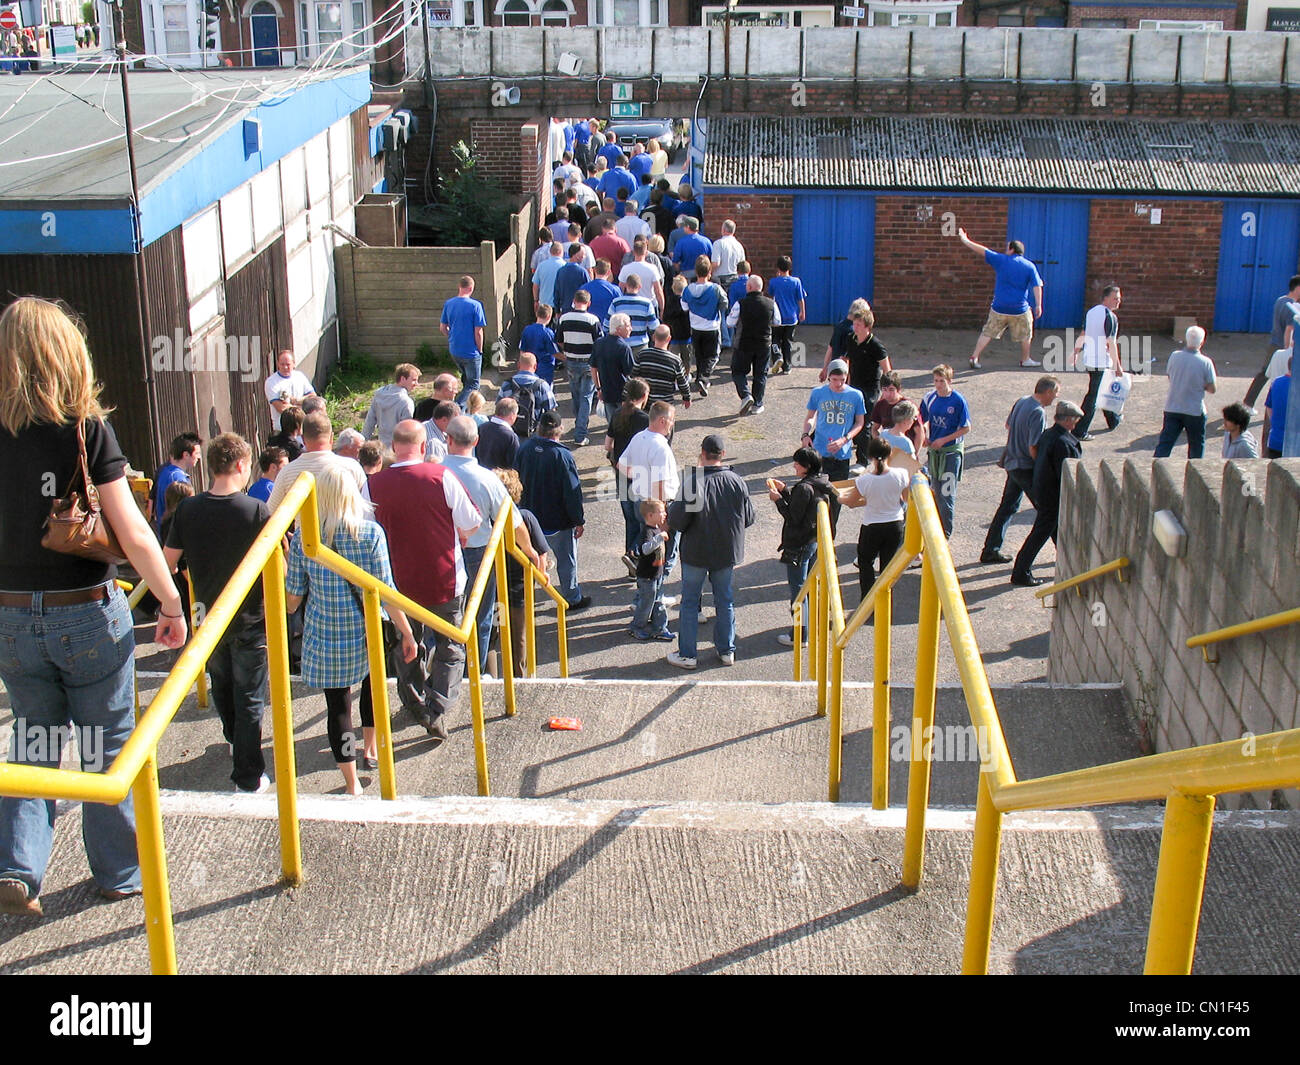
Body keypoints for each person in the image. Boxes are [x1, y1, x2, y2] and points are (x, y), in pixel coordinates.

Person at [0, 297, 187, 918]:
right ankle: (119, 874)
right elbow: (132, 532)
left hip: (9, 615)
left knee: (32, 736)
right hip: (84, 610)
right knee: (109, 746)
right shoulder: (84, 428)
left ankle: (18, 869)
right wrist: (169, 599)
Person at [285, 464, 418, 794]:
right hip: (368, 628)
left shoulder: (306, 537)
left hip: (325, 632)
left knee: (337, 707)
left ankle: (351, 782)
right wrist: (407, 632)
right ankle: (370, 749)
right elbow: (387, 592)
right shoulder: (371, 535)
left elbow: (291, 601)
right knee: (373, 689)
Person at [164, 433, 270, 794]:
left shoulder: (187, 509)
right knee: (250, 695)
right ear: (241, 465)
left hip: (204, 615)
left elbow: (168, 561)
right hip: (250, 617)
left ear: (210, 466)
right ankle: (248, 775)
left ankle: (233, 740)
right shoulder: (256, 511)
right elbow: (279, 567)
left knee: (222, 684)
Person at [366, 420, 482, 739]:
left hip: (395, 586)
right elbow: (471, 522)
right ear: (422, 446)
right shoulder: (441, 476)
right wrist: (458, 535)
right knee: (451, 646)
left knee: (405, 645)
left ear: (393, 445)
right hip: (443, 579)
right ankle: (436, 707)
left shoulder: (372, 485)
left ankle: (415, 702)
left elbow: (364, 532)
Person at [443, 416, 533, 673]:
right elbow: (514, 523)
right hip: (479, 555)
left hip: (441, 552)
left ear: (448, 439)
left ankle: (443, 672)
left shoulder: (435, 472)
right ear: (476, 441)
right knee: (480, 618)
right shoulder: (488, 479)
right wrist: (531, 554)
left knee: (442, 617)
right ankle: (475, 673)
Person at [666, 434, 755, 669]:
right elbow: (749, 518)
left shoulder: (693, 482)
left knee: (689, 603)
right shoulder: (737, 481)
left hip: (696, 552)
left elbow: (677, 520)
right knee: (724, 600)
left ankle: (688, 655)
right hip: (725, 553)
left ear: (702, 454)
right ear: (722, 455)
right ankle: (727, 650)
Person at [981, 376, 1060, 565]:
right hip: (1025, 467)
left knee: (1007, 508)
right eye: (1055, 393)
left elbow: (1009, 425)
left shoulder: (1022, 401)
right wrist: (1042, 469)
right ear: (1048, 392)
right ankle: (1064, 551)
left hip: (1012, 463)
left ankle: (990, 549)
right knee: (1048, 512)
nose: (1055, 398)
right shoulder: (1038, 412)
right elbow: (1034, 447)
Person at [515, 411, 589, 611]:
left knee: (529, 561)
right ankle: (572, 598)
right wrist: (578, 520)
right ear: (560, 430)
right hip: (558, 522)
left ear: (540, 428)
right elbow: (572, 492)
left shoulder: (525, 448)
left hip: (529, 521)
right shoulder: (562, 455)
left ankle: (525, 601)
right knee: (566, 561)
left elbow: (515, 480)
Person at [768, 447, 839, 646]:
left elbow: (793, 517)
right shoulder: (821, 483)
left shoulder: (804, 487)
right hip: (814, 541)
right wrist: (785, 491)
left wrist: (778, 500)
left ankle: (799, 634)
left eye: (797, 463)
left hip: (799, 544)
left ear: (806, 467)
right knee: (807, 589)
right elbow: (803, 507)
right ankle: (806, 629)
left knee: (798, 592)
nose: (794, 466)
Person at [1012, 401, 1084, 587]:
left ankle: (1069, 561)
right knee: (1041, 532)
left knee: (1053, 530)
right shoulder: (1063, 442)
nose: (1075, 424)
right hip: (1053, 495)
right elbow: (1066, 474)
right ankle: (1021, 571)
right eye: (1074, 420)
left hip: (1044, 491)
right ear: (1067, 420)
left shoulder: (1049, 435)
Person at [492, 467, 551, 677]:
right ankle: (519, 677)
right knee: (520, 637)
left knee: (492, 634)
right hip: (519, 590)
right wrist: (541, 574)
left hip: (493, 590)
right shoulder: (525, 517)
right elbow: (541, 552)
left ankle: (489, 674)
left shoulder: (486, 518)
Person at [958, 229, 1043, 369]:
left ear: (1011, 249)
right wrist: (1038, 305)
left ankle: (975, 356)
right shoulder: (1029, 266)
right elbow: (1037, 286)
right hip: (1019, 309)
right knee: (1026, 334)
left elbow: (982, 250)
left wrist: (965, 240)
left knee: (988, 332)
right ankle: (1025, 359)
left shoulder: (1001, 260)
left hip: (999, 307)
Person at [618, 399, 681, 585]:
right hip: (659, 505)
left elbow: (621, 464)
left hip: (640, 501)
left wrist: (637, 475)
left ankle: (637, 563)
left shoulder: (638, 438)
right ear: (662, 421)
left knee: (647, 549)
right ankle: (656, 595)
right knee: (665, 554)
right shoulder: (661, 447)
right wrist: (663, 516)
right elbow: (660, 483)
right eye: (671, 420)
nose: (672, 425)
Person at [840, 437, 910, 600]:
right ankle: (886, 600)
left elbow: (850, 502)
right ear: (889, 454)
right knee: (887, 566)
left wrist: (838, 497)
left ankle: (867, 599)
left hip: (872, 526)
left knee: (865, 562)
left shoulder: (864, 480)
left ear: (870, 456)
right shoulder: (902, 474)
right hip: (895, 524)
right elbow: (905, 498)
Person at [267, 412, 366, 516]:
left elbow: (270, 513)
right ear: (331, 437)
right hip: (347, 530)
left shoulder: (287, 472)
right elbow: (366, 508)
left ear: (303, 439)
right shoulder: (352, 467)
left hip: (303, 531)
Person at [919, 364, 971, 539]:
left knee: (947, 495)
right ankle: (933, 530)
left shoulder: (958, 400)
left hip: (951, 454)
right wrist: (925, 435)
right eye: (935, 381)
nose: (938, 384)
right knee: (934, 490)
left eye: (941, 381)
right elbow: (921, 420)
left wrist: (944, 440)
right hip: (935, 453)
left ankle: (945, 535)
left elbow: (966, 428)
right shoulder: (929, 398)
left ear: (949, 381)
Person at [606, 378, 651, 573]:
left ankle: (631, 564)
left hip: (621, 474)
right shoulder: (645, 419)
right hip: (640, 476)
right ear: (644, 396)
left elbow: (608, 445)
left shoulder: (617, 414)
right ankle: (635, 555)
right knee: (643, 521)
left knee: (630, 520)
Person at [1154, 326, 1217, 459]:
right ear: (1202, 341)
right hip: (1194, 410)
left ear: (1186, 339)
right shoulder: (1206, 362)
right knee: (1196, 447)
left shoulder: (1174, 356)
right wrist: (1201, 384)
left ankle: (1155, 469)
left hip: (1172, 407)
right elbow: (1212, 389)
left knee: (1165, 444)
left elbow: (1170, 377)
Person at [1071, 285, 1125, 440]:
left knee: (1103, 390)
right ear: (1106, 298)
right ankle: (1080, 430)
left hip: (1090, 359)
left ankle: (1113, 420)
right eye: (1115, 298)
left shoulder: (1092, 312)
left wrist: (1076, 352)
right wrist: (1117, 366)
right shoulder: (1110, 317)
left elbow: (1084, 332)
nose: (1118, 301)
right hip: (1101, 361)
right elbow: (1111, 343)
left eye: (1119, 298)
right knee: (1094, 396)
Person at [801, 358, 866, 483]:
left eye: (842, 379)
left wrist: (844, 439)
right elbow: (810, 416)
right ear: (829, 377)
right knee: (818, 494)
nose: (838, 384)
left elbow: (859, 422)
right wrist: (805, 434)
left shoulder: (856, 395)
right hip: (819, 450)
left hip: (842, 452)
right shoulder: (818, 393)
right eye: (835, 379)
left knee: (837, 494)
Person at [840, 305, 891, 464]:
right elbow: (847, 360)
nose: (855, 327)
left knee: (864, 425)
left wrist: (884, 392)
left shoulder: (876, 345)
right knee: (850, 421)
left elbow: (887, 370)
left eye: (858, 325)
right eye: (854, 324)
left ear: (867, 327)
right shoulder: (851, 339)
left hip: (870, 390)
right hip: (854, 386)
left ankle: (864, 461)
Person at [1245, 274, 1300, 411]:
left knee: (1265, 374)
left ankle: (1248, 403)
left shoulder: (1280, 300)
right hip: (1282, 345)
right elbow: (1289, 329)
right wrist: (1287, 348)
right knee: (1279, 377)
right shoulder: (1291, 306)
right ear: (1297, 288)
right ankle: (1268, 406)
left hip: (1273, 343)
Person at [555, 289, 602, 446]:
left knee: (575, 393)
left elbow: (559, 340)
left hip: (571, 361)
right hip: (588, 362)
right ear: (588, 303)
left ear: (574, 301)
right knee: (586, 397)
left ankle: (579, 424)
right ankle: (580, 433)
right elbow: (599, 343)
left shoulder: (564, 318)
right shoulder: (592, 320)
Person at [729, 274, 777, 414]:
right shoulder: (771, 303)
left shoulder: (740, 303)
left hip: (744, 343)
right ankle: (757, 403)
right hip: (764, 343)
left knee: (738, 371)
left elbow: (729, 322)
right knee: (760, 374)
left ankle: (745, 395)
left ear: (749, 287)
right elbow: (777, 321)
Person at [682, 258, 729, 398]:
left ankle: (700, 379)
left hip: (695, 327)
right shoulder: (715, 289)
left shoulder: (688, 289)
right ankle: (703, 378)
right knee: (713, 356)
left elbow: (684, 306)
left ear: (696, 272)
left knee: (700, 355)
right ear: (710, 272)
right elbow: (725, 303)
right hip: (711, 326)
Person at [629, 499, 674, 642]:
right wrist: (659, 538)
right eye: (661, 512)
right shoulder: (648, 531)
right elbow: (645, 549)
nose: (665, 514)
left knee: (659, 602)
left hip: (656, 575)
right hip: (647, 577)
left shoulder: (656, 529)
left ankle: (660, 628)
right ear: (650, 515)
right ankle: (637, 627)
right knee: (646, 603)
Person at [440, 275, 487, 404]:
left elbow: (443, 327)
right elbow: (478, 332)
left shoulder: (449, 303)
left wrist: (451, 337)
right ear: (471, 288)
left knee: (466, 377)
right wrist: (480, 349)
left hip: (454, 349)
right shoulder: (475, 306)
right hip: (471, 351)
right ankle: (458, 407)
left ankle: (466, 404)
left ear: (459, 287)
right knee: (473, 384)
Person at [499, 352, 557, 442]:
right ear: (535, 366)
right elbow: (551, 412)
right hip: (535, 434)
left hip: (511, 434)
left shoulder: (507, 384)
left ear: (518, 365)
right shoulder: (542, 385)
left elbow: (499, 408)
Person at [592, 312, 637, 424]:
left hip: (606, 392)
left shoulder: (599, 343)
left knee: (612, 426)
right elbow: (631, 374)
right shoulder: (624, 348)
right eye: (628, 325)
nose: (631, 328)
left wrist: (598, 388)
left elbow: (593, 368)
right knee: (624, 426)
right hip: (622, 395)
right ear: (618, 329)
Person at [635, 325, 693, 408]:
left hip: (645, 403)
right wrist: (687, 398)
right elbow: (682, 382)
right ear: (669, 338)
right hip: (665, 404)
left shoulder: (642, 355)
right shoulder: (675, 361)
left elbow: (633, 377)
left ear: (654, 337)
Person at [152, 431, 201, 530]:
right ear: (186, 455)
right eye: (197, 453)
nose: (199, 457)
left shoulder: (165, 471)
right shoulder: (177, 479)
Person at [363, 362, 420, 447]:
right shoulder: (406, 402)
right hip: (398, 449)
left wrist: (363, 441)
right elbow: (407, 430)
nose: (417, 384)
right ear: (403, 379)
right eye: (414, 380)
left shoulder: (379, 394)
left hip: (382, 447)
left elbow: (370, 421)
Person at [768, 256, 807, 375]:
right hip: (791, 317)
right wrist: (802, 312)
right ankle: (787, 365)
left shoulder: (773, 282)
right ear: (790, 267)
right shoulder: (796, 281)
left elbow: (770, 297)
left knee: (775, 340)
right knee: (788, 342)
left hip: (777, 318)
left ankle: (777, 357)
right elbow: (801, 299)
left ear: (778, 267)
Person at [264, 349, 316, 431]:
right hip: (283, 429)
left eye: (288, 364)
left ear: (294, 364)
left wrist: (297, 400)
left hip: (302, 428)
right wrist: (303, 405)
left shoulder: (299, 376)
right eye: (282, 364)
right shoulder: (271, 382)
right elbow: (282, 409)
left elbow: (313, 397)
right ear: (277, 364)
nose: (285, 367)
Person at [608, 272, 659, 351]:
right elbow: (654, 326)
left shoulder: (616, 302)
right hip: (640, 345)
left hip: (619, 345)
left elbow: (607, 324)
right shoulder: (647, 303)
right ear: (640, 286)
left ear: (626, 285)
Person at [476, 397, 521, 470]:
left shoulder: (482, 428)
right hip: (501, 478)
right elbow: (514, 465)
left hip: (480, 474)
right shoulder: (511, 437)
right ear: (512, 416)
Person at [521, 304, 560, 385]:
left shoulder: (526, 329)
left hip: (530, 367)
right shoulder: (548, 333)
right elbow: (554, 352)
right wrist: (567, 359)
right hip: (545, 368)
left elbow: (522, 350)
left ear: (536, 314)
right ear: (549, 317)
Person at [1263, 356, 1291, 460]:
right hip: (1294, 444)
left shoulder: (1276, 383)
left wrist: (1276, 424)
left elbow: (1269, 407)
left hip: (1275, 440)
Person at [580, 259, 621, 328]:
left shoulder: (584, 288)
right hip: (608, 327)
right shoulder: (615, 290)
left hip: (588, 326)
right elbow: (620, 309)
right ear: (608, 272)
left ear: (594, 270)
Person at [710, 220, 745, 292]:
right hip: (735, 278)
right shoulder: (739, 246)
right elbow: (742, 265)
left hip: (720, 279)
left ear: (723, 230)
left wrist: (709, 272)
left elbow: (716, 263)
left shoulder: (718, 243)